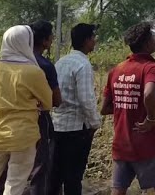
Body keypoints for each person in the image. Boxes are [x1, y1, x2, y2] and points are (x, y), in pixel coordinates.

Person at [0, 26, 55, 195]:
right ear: (27, 42)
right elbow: (48, 103)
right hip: (23, 136)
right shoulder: (34, 72)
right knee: (15, 184)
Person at [0, 21, 62, 195]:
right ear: (45, 41)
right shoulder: (43, 66)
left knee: (2, 167)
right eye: (51, 36)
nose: (52, 39)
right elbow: (55, 100)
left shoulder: (3, 64)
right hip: (36, 120)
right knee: (39, 168)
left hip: (3, 119)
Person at [102, 23, 155, 195]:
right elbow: (148, 94)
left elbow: (105, 108)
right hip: (146, 144)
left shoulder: (117, 69)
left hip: (121, 142)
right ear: (146, 43)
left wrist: (127, 104)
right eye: (153, 37)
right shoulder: (150, 67)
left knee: (118, 190)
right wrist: (151, 119)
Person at [48, 24, 100, 195]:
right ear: (86, 41)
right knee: (73, 177)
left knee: (54, 175)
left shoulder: (60, 62)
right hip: (76, 130)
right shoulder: (83, 65)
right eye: (93, 37)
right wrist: (94, 123)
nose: (95, 41)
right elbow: (86, 100)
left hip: (57, 126)